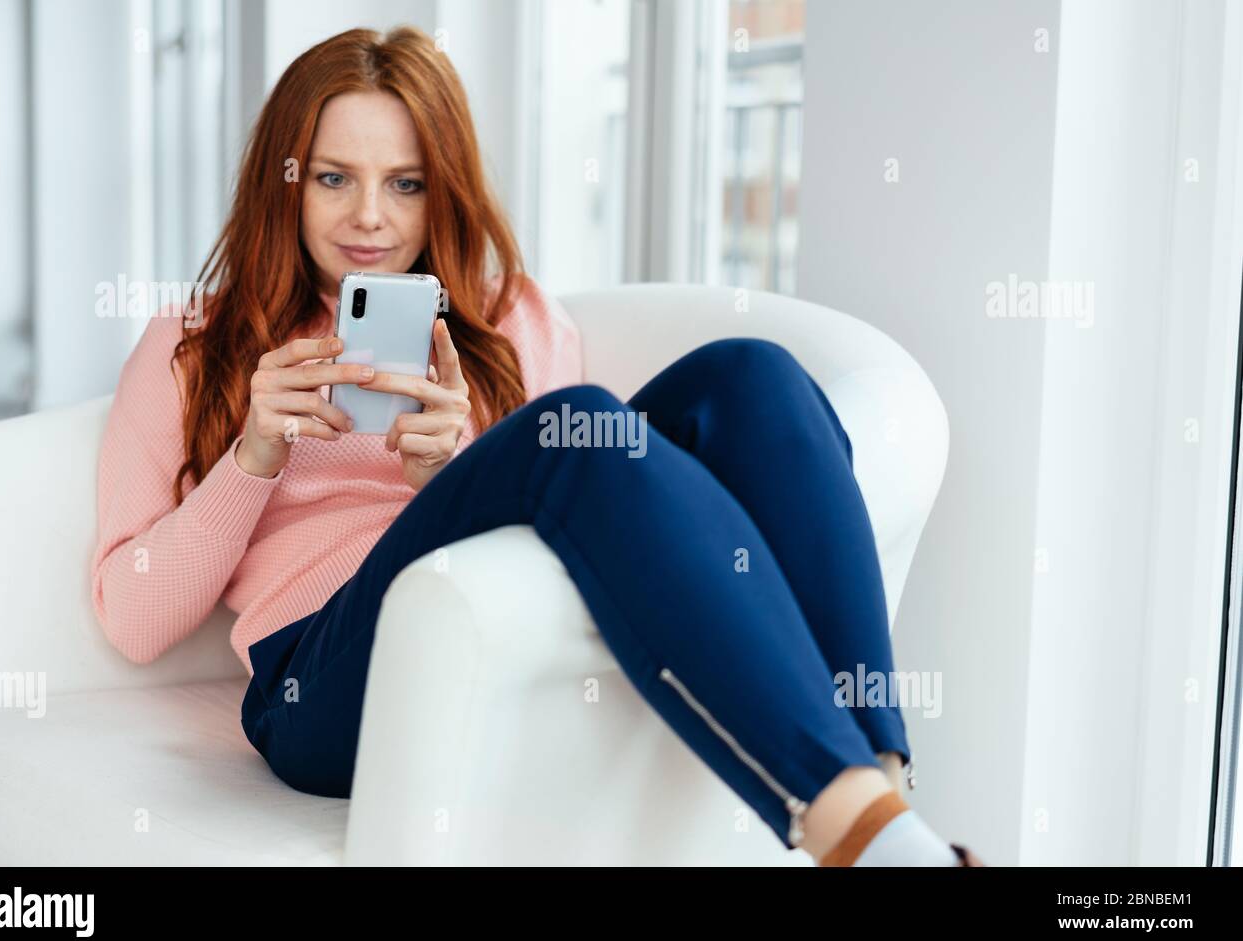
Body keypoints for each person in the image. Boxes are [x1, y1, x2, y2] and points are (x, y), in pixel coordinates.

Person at [91, 26, 983, 867]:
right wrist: (252, 457)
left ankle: (887, 806)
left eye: (406, 183)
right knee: (577, 430)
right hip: (320, 687)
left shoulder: (508, 318)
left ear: (445, 187)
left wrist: (451, 470)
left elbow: (602, 521)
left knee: (753, 377)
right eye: (333, 178)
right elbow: (132, 622)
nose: (369, 217)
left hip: (508, 647)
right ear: (285, 180)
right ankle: (856, 826)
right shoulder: (195, 341)